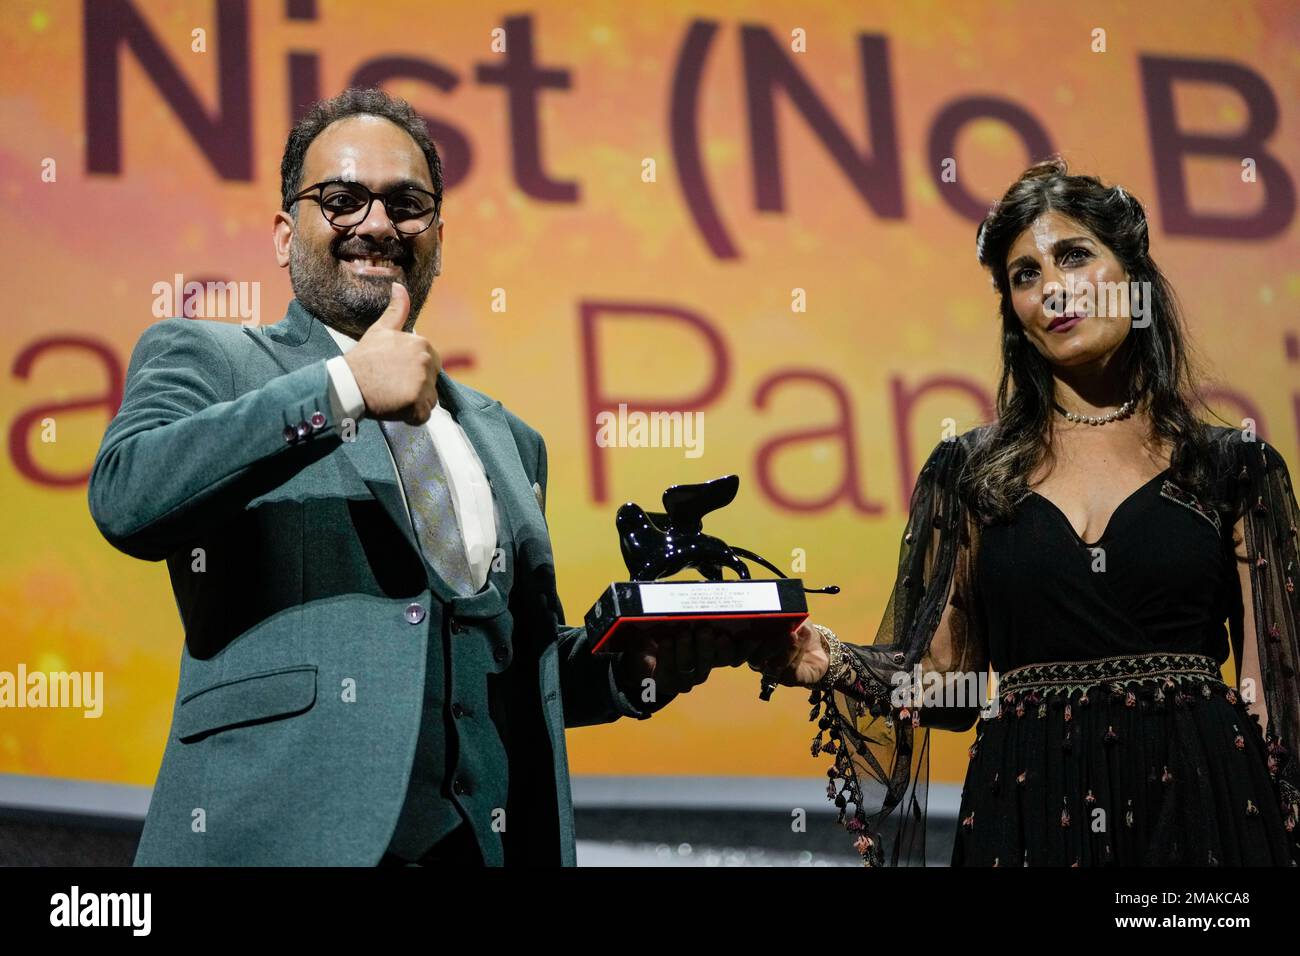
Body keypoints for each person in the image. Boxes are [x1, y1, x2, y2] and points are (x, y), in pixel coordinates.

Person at [88, 87, 755, 866]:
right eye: (341, 200)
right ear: (282, 234)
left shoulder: (511, 441)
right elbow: (127, 495)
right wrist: (343, 388)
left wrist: (624, 670)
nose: (376, 225)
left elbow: (509, 672)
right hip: (276, 840)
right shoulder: (210, 358)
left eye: (406, 204)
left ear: (437, 233)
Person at [751, 158, 1300, 867]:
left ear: (1134, 277)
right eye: (1025, 275)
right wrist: (829, 659)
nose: (1052, 291)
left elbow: (1275, 706)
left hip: (1204, 816)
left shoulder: (1234, 468)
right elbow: (947, 686)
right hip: (1030, 813)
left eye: (1073, 256)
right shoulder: (969, 474)